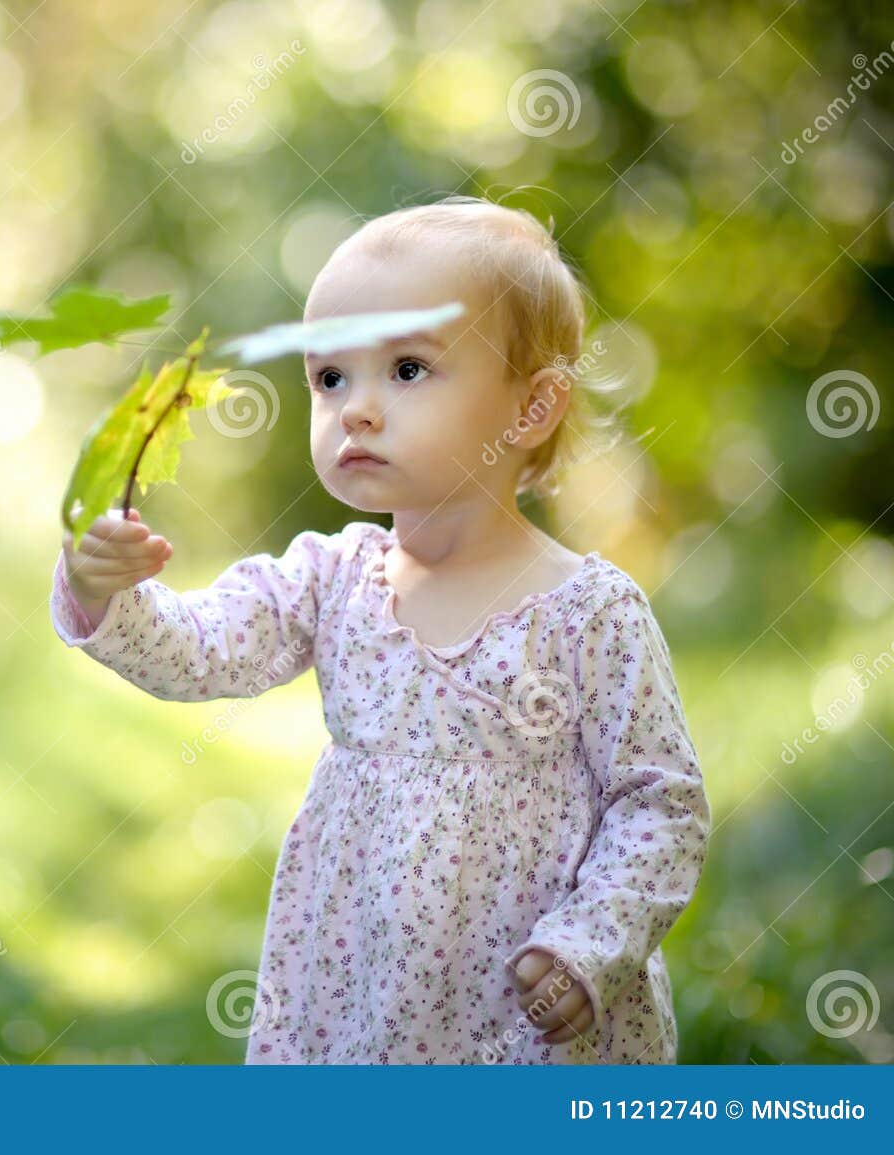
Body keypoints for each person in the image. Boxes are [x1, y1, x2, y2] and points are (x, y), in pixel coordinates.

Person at [48, 195, 711, 1064]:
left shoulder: (591, 613)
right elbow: (200, 650)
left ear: (534, 408)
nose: (355, 408)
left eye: (406, 370)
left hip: (523, 1014)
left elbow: (659, 800)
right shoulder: (331, 579)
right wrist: (109, 593)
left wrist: (588, 946)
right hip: (358, 990)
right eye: (330, 377)